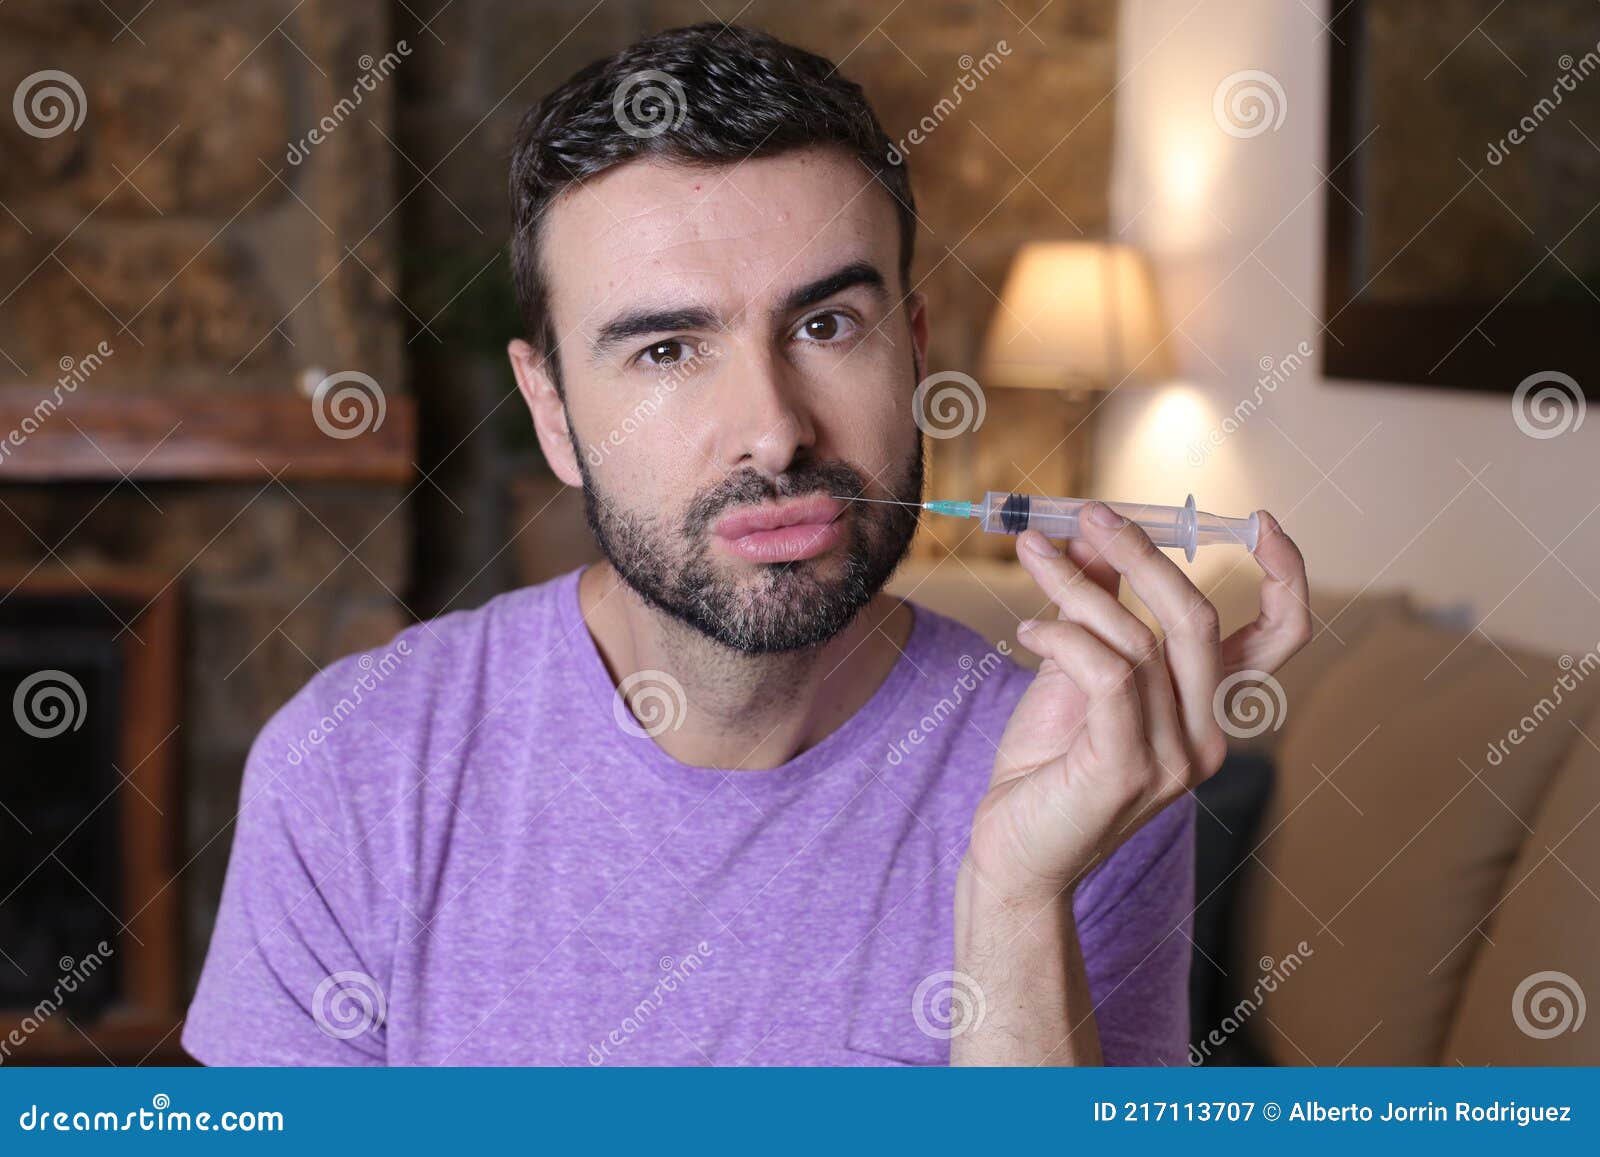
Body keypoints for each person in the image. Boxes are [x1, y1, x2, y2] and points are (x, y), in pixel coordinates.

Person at [182, 22, 1310, 1066]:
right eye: (667, 350)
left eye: (825, 325)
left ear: (914, 353)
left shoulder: (1083, 777)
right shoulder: (353, 764)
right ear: (554, 413)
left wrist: (1016, 898)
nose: (774, 430)